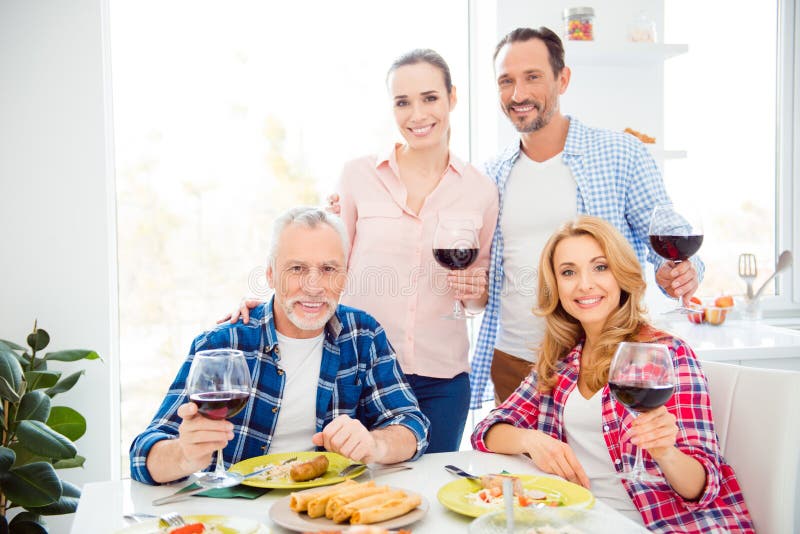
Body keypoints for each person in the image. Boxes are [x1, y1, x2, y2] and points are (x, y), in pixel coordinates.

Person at [226, 49, 498, 453]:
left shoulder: (480, 189)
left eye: (429, 98)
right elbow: (327, 264)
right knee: (356, 488)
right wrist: (272, 305)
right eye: (402, 102)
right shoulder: (359, 176)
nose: (417, 114)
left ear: (452, 98)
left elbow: (477, 297)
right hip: (361, 371)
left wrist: (475, 290)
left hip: (442, 378)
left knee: (429, 495)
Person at [471, 216, 753, 532]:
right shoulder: (560, 361)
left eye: (600, 267)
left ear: (622, 274)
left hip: (663, 525)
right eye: (568, 272)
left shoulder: (667, 354)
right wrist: (530, 439)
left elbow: (702, 488)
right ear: (556, 286)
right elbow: (486, 430)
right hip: (579, 520)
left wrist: (666, 453)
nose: (585, 284)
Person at [470, 26, 703, 407]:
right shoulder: (491, 173)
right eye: (506, 81)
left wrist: (683, 273)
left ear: (563, 79)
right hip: (514, 360)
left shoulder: (620, 154)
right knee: (515, 467)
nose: (518, 94)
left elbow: (673, 243)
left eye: (533, 77)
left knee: (598, 467)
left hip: (599, 357)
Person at [130, 207, 429, 485]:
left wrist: (375, 444)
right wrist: (184, 454)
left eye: (328, 269)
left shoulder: (363, 335)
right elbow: (143, 455)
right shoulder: (222, 344)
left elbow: (413, 426)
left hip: (331, 506)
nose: (313, 286)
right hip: (240, 509)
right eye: (297, 268)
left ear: (344, 277)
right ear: (271, 275)